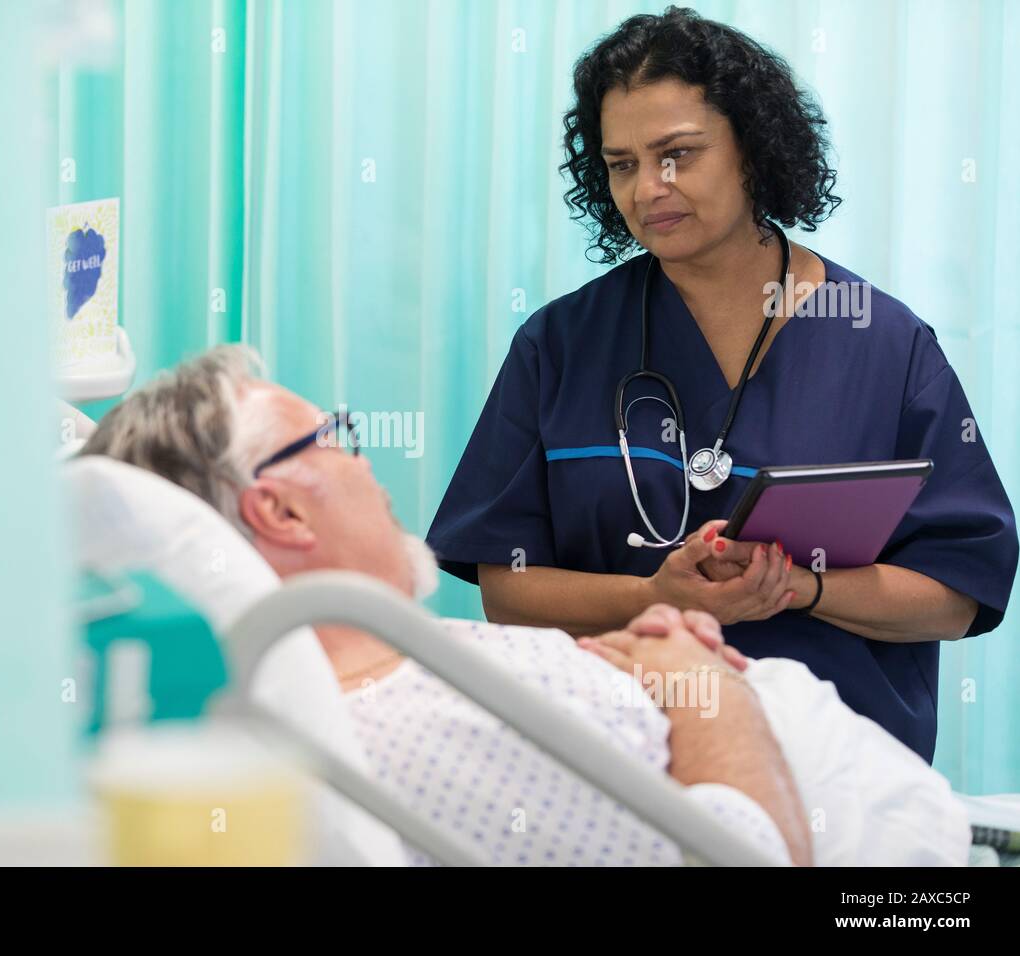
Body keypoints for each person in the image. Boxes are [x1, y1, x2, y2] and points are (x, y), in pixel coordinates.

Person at [80, 345, 969, 867]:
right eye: (336, 438)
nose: (366, 461)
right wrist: (707, 689)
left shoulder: (415, 658)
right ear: (277, 509)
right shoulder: (413, 720)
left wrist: (656, 649)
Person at [425, 6, 1017, 763]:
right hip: (622, 768)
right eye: (622, 164)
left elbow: (958, 592)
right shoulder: (561, 344)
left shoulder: (885, 345)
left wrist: (801, 588)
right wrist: (653, 597)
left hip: (836, 779)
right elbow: (506, 588)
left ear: (753, 149)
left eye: (677, 154)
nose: (647, 190)